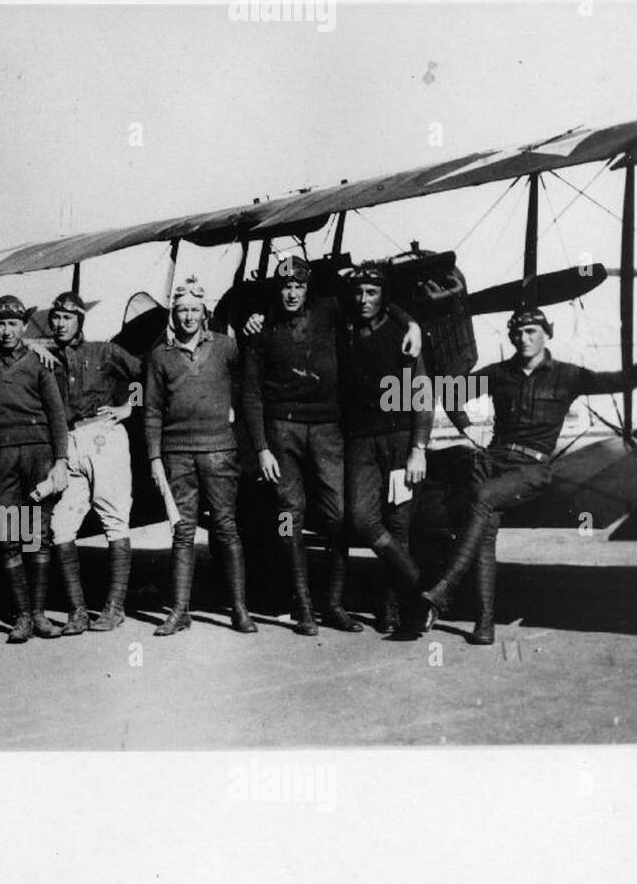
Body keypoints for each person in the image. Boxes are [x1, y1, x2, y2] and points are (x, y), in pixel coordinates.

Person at [421, 305, 637, 644]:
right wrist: (467, 429)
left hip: (531, 470)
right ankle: (485, 624)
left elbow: (620, 380)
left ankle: (446, 588)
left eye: (532, 331)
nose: (524, 338)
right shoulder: (498, 373)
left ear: (546, 333)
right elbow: (450, 392)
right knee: (485, 537)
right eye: (518, 333)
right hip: (491, 461)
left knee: (480, 499)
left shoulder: (569, 375)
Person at [240, 255, 421, 636]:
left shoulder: (330, 310)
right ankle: (305, 607)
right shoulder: (262, 328)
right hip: (281, 432)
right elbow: (251, 394)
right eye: (286, 286)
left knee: (339, 515)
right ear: (278, 289)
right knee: (290, 515)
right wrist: (261, 448)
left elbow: (372, 301)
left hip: (327, 429)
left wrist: (411, 322)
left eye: (299, 286)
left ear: (309, 288)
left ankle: (334, 604)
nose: (292, 293)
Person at [143, 275, 255, 636]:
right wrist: (154, 458)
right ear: (173, 316)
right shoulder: (159, 356)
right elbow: (153, 411)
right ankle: (179, 611)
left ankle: (239, 609)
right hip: (177, 457)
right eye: (182, 311)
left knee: (226, 529)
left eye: (194, 310)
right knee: (183, 532)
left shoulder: (226, 347)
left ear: (204, 314)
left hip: (220, 452)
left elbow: (247, 389)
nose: (188, 316)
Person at [0, 295, 70, 642]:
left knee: (38, 535)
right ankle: (22, 617)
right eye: (0, 324)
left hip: (38, 454)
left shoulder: (40, 362)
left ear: (24, 326)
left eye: (13, 324)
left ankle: (39, 614)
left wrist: (61, 460)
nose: (7, 330)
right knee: (8, 538)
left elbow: (57, 414)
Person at [342, 263, 433, 635]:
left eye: (372, 293)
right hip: (361, 441)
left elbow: (422, 394)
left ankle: (394, 610)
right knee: (363, 517)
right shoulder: (344, 328)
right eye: (359, 292)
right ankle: (421, 588)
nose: (364, 299)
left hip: (399, 440)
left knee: (399, 526)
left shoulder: (402, 335)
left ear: (384, 296)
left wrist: (419, 448)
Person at [45, 291, 141, 634]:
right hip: (68, 443)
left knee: (115, 521)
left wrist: (129, 407)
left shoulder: (105, 351)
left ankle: (114, 608)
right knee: (60, 528)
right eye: (55, 317)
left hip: (104, 437)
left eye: (67, 317)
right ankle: (77, 611)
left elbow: (144, 373)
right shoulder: (47, 359)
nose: (60, 324)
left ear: (80, 321)